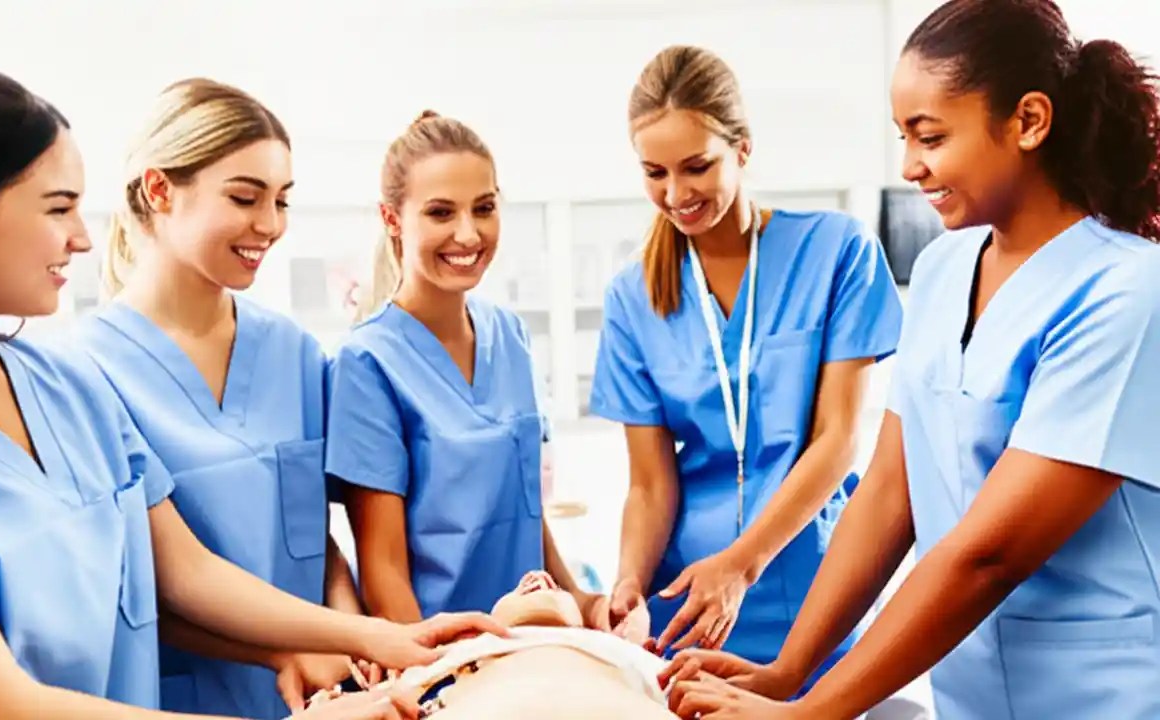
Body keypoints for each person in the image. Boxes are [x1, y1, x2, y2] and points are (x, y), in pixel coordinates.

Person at [0, 65, 505, 720]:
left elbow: (184, 572)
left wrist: (385, 637)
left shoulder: (68, 387)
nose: (83, 235)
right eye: (58, 207)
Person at [661, 1, 1160, 718]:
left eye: (930, 137)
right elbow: (888, 492)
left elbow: (990, 556)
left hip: (1110, 697)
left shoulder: (1127, 291)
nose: (910, 166)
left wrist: (814, 712)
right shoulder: (941, 269)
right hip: (976, 698)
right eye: (902, 136)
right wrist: (788, 670)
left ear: (1028, 121)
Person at [590, 43, 902, 676]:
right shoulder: (632, 296)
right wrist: (628, 580)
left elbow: (838, 439)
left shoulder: (836, 252)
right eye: (654, 173)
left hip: (815, 593)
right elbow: (650, 483)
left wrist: (742, 564)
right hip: (687, 609)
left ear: (743, 148)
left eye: (696, 166)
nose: (676, 194)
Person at [77, 77, 369, 718]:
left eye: (283, 200)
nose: (270, 225)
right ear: (159, 191)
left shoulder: (293, 352)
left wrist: (352, 639)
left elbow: (315, 542)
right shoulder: (86, 371)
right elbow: (147, 586)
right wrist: (286, 650)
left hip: (323, 695)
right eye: (244, 197)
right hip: (186, 698)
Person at [326, 112, 614, 630]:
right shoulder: (367, 364)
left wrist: (584, 604)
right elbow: (383, 571)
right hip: (448, 662)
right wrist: (432, 678)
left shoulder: (510, 337)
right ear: (392, 220)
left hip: (535, 644)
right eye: (440, 213)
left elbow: (524, 514)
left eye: (484, 209)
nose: (467, 233)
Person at [309, 571, 673, 719]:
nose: (537, 577)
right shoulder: (437, 660)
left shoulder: (627, 654)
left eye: (558, 588)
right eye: (518, 589)